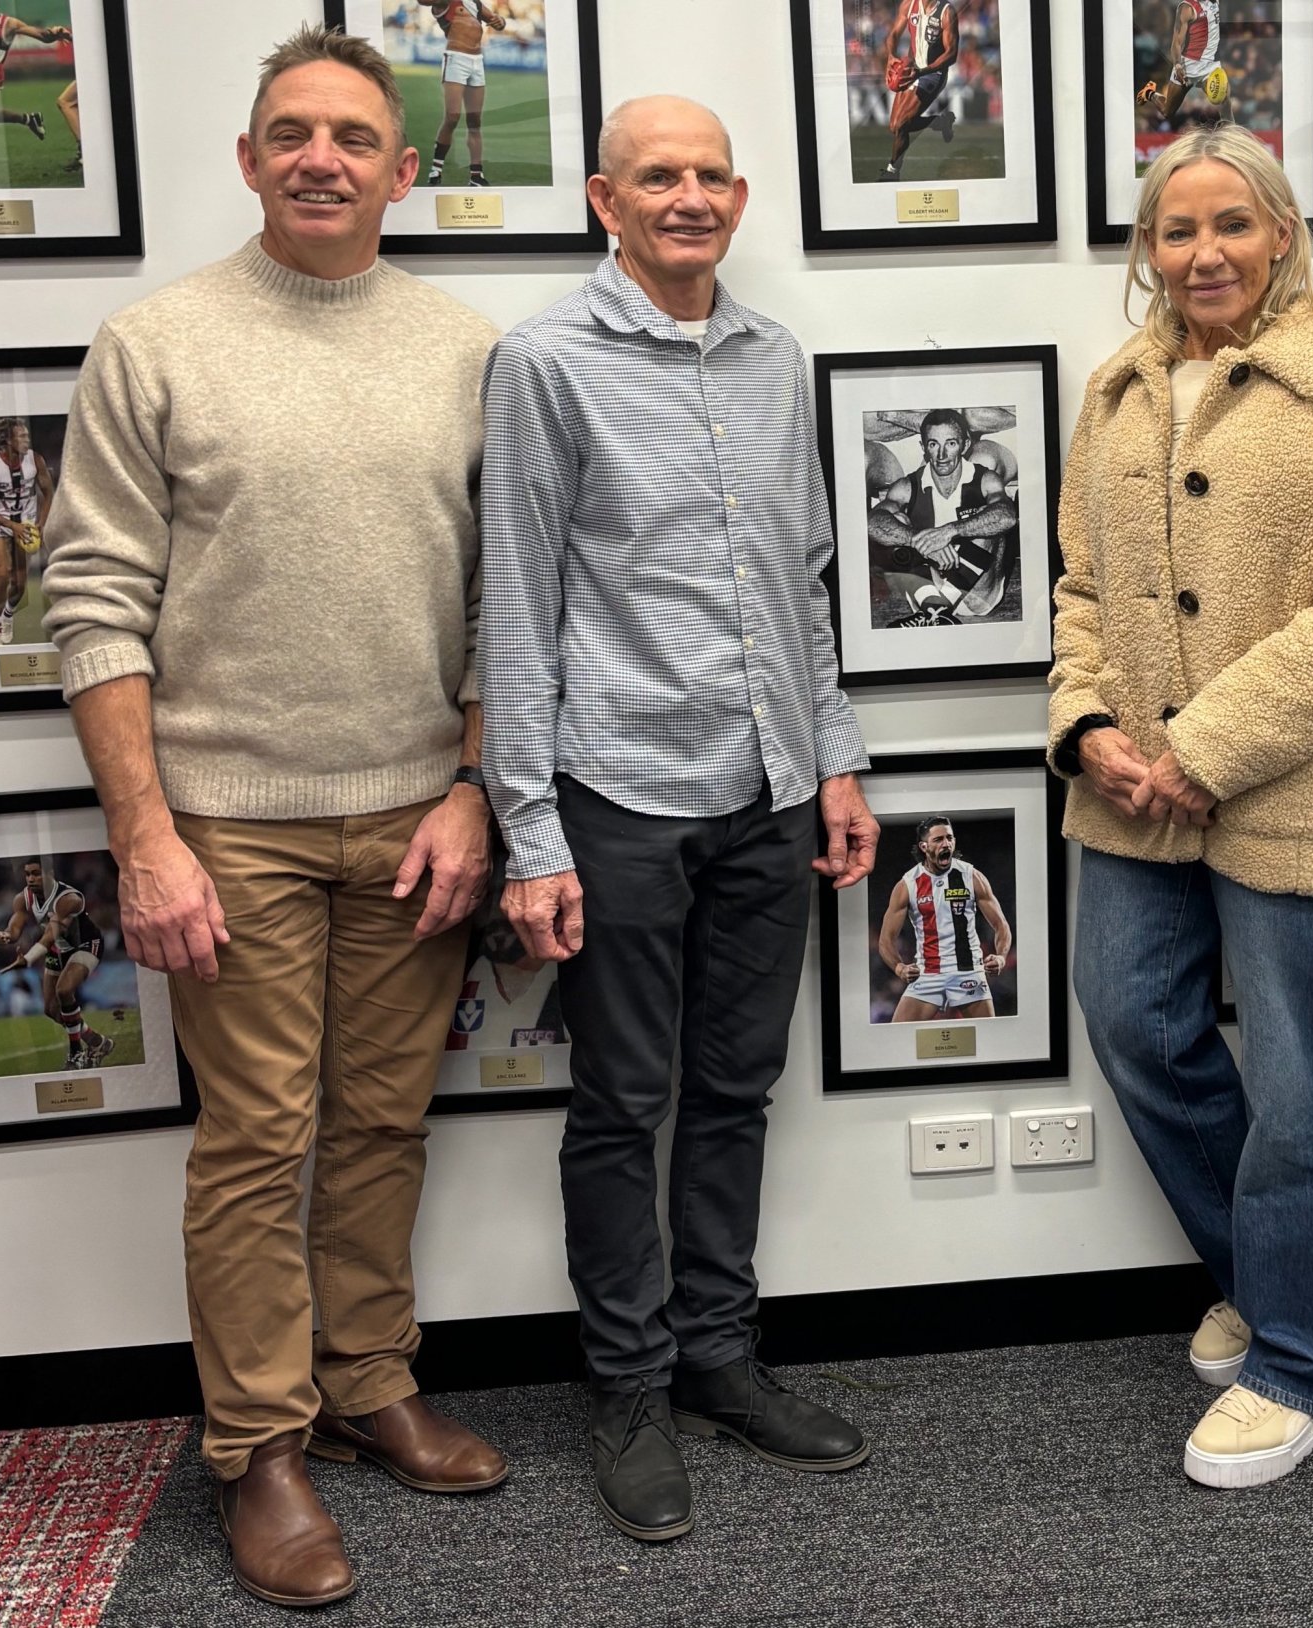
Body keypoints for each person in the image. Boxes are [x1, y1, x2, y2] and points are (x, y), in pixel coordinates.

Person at [41, 26, 507, 1610]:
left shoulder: (466, 348)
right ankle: (259, 1446)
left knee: (381, 1123)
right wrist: (147, 837)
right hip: (225, 824)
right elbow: (89, 603)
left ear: (402, 166)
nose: (322, 158)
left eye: (352, 137)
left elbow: (509, 606)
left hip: (414, 820)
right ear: (247, 161)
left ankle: (369, 1384)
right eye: (290, 133)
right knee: (256, 1141)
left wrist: (470, 789)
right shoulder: (152, 341)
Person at [479, 94, 880, 1546]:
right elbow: (516, 618)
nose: (690, 195)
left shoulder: (776, 360)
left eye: (711, 174)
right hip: (620, 796)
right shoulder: (545, 363)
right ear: (605, 197)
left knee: (733, 1094)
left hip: (768, 795)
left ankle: (719, 1358)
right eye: (660, 175)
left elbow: (805, 586)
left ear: (740, 193)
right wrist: (529, 833)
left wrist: (833, 762)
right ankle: (628, 1387)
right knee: (620, 1107)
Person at [1050, 122, 1313, 1489]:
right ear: (1146, 249)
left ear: (1280, 231)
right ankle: (1273, 1278)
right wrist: (1086, 723)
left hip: (1278, 791)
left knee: (1294, 1075)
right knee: (1136, 1028)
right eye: (1174, 229)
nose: (1201, 251)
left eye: (1229, 223)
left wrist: (1203, 745)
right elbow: (1082, 592)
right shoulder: (1115, 389)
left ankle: (1306, 1366)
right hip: (1126, 802)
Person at [865, 408, 1018, 625]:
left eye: (951, 444)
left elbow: (1007, 517)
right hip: (926, 588)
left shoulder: (984, 478)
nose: (942, 455)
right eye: (934, 444)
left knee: (989, 517)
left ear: (965, 445)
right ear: (924, 447)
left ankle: (934, 612)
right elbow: (873, 523)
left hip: (975, 594)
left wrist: (949, 532)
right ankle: (936, 612)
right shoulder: (908, 486)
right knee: (896, 523)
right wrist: (918, 539)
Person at [876, 816, 1012, 1020]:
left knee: (988, 1042)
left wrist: (1001, 956)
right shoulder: (908, 884)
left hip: (968, 972)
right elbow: (886, 940)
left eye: (949, 838)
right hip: (928, 974)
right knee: (899, 1040)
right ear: (924, 846)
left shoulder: (971, 876)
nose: (946, 843)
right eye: (938, 839)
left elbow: (1001, 925)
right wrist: (899, 967)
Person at [0, 858, 110, 1067]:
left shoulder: (68, 899)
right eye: (28, 874)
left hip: (85, 944)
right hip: (58, 950)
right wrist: (4, 935)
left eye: (36, 873)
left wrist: (29, 959)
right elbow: (15, 928)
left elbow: (50, 934)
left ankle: (76, 1053)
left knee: (64, 990)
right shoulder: (23, 898)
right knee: (50, 1009)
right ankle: (97, 1041)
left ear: (49, 874)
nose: (31, 879)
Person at [422, 0, 507, 188]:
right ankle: (436, 170)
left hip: (477, 61)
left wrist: (500, 21)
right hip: (456, 58)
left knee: (474, 121)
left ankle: (476, 175)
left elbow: (495, 21)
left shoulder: (474, 3)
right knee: (452, 116)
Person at [877, 0, 959, 182]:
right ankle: (939, 122)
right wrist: (891, 56)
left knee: (900, 125)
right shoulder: (909, 4)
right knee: (894, 126)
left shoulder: (946, 12)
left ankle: (892, 171)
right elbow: (893, 35)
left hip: (933, 73)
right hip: (913, 69)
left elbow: (951, 53)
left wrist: (923, 71)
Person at [0, 417, 54, 645]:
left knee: (19, 584)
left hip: (26, 524)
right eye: (21, 436)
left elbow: (49, 493)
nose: (26, 439)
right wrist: (13, 526)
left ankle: (7, 616)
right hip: (1, 525)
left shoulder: (35, 460)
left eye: (26, 435)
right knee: (1, 573)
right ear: (7, 440)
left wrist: (40, 523)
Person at [1137, 0, 1224, 126]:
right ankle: (1150, 93)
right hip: (1187, 66)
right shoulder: (1186, 8)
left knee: (1222, 100)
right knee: (1167, 112)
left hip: (1207, 64)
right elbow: (1176, 43)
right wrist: (1177, 65)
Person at [0, 12, 69, 146]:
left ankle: (28, 120)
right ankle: (29, 120)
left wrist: (54, 32)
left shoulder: (8, 23)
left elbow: (43, 36)